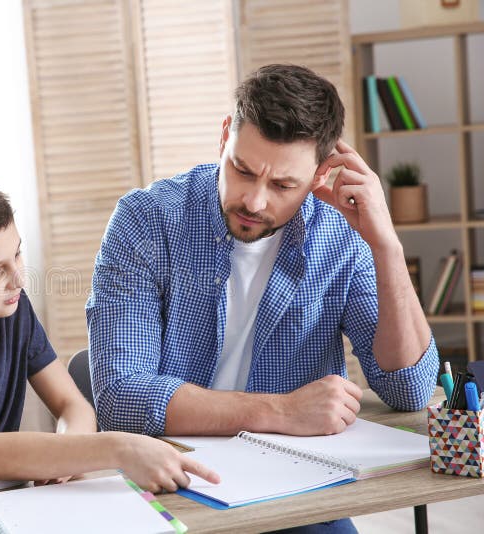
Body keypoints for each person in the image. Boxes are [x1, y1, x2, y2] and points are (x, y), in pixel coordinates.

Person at [85, 65, 439, 530]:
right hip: (174, 474)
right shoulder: (146, 220)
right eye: (242, 169)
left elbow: (408, 389)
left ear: (321, 174)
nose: (253, 200)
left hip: (296, 481)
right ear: (225, 135)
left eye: (282, 185)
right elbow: (120, 396)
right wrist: (282, 411)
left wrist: (386, 246)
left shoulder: (341, 234)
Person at [0, 176, 219, 494]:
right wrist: (121, 447)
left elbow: (73, 406)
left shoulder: (12, 311)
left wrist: (64, 455)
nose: (19, 280)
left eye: (18, 253)